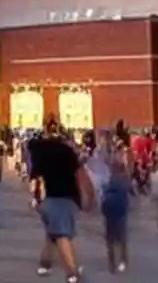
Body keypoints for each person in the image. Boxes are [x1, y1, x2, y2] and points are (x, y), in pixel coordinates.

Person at [29, 117, 94, 283]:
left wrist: (35, 199)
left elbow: (34, 177)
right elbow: (81, 174)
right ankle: (72, 274)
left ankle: (45, 264)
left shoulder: (38, 152)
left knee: (54, 232)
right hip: (66, 197)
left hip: (48, 198)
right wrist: (89, 195)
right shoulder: (67, 152)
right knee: (63, 235)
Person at [100, 154, 131, 274]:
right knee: (121, 238)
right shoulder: (125, 179)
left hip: (110, 211)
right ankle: (122, 260)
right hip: (120, 212)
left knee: (110, 240)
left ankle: (112, 263)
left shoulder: (108, 178)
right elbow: (132, 191)